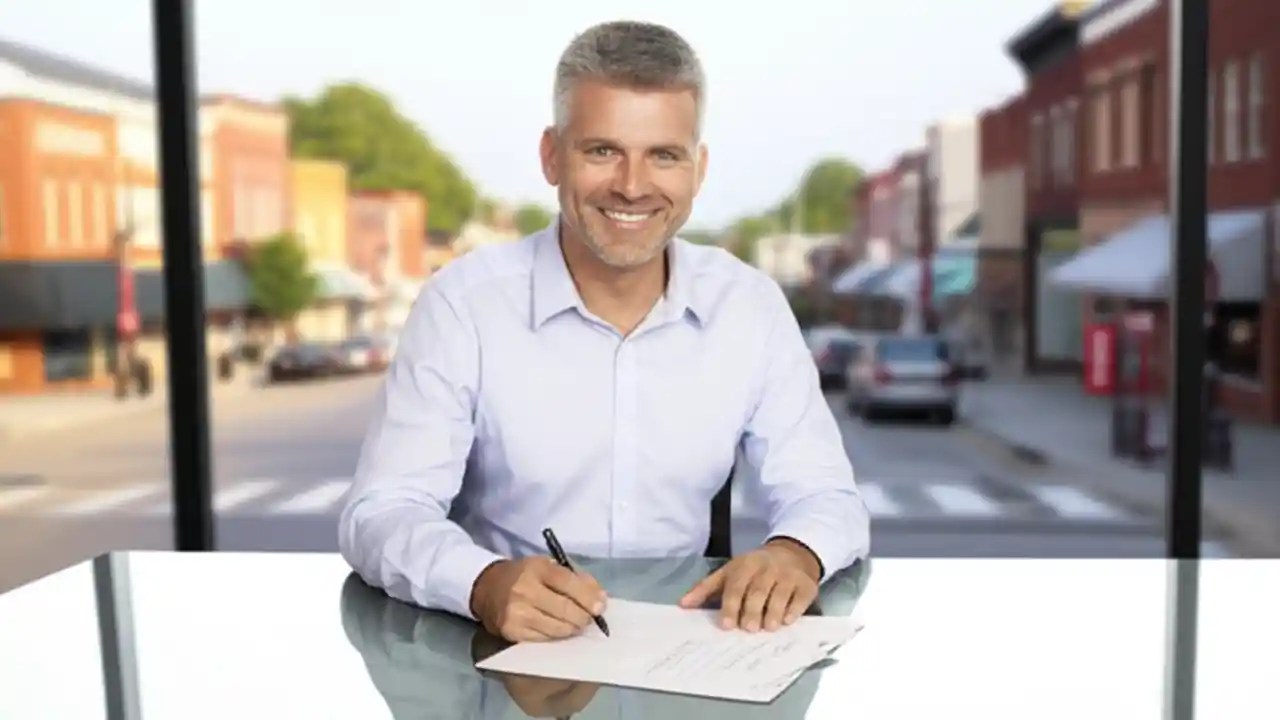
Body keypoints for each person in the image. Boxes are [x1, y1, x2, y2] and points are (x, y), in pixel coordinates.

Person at [338, 19, 870, 644]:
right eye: (602, 151)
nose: (632, 185)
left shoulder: (749, 306)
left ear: (697, 170)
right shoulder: (464, 305)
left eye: (663, 156)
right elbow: (382, 510)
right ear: (551, 156)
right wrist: (482, 584)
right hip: (504, 664)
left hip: (688, 661)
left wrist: (794, 554)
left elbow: (828, 496)